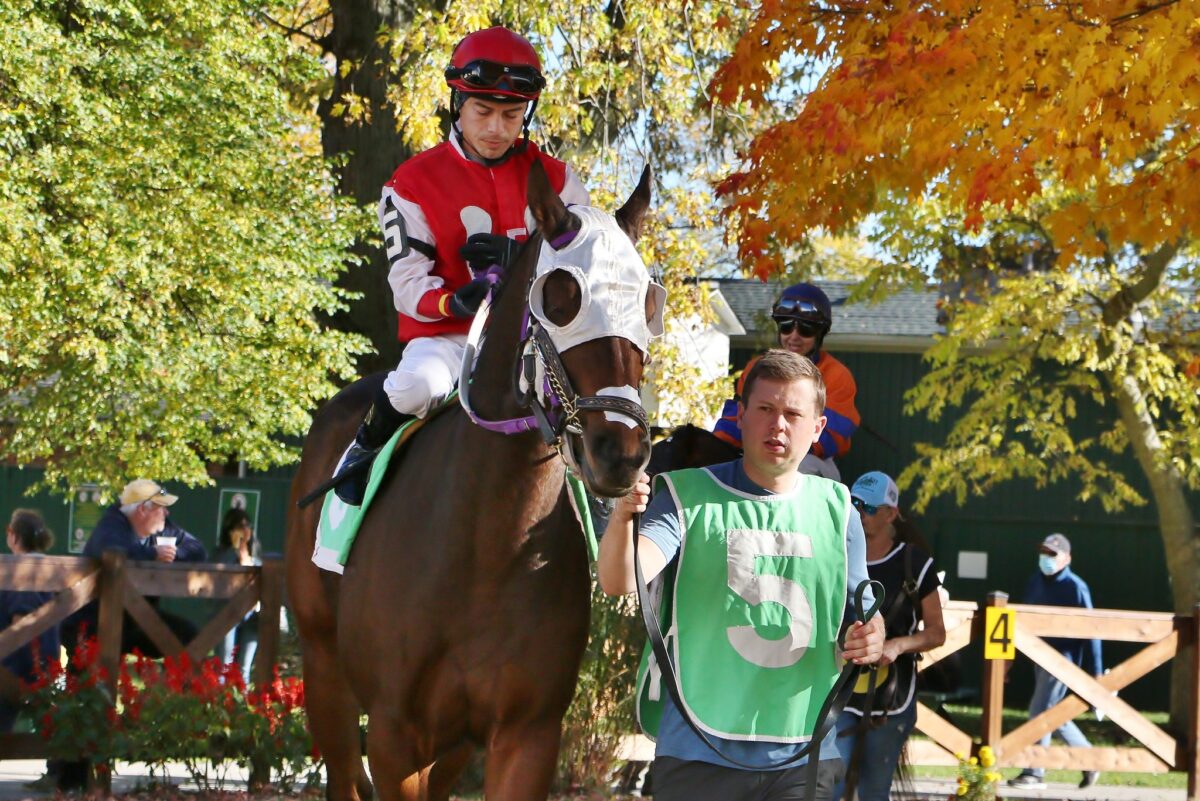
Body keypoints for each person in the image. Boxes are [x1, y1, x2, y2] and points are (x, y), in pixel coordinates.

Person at [599, 349, 884, 801]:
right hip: (698, 748)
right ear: (741, 416)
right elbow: (620, 580)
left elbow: (864, 612)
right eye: (766, 410)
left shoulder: (840, 510)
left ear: (817, 428)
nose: (779, 425)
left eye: (793, 413)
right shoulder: (684, 495)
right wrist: (622, 518)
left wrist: (872, 636)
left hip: (804, 749)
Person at [331, 25, 590, 505]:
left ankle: (607, 515)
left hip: (537, 341)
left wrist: (521, 263)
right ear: (458, 105)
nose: (496, 128)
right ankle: (362, 449)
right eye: (483, 111)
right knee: (414, 387)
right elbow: (407, 285)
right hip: (449, 339)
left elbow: (584, 266)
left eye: (511, 115)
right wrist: (456, 299)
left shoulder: (557, 178)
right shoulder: (411, 182)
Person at [831, 471, 945, 801]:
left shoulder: (914, 561)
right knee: (827, 787)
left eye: (866, 507)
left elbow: (936, 633)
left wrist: (896, 645)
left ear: (890, 514)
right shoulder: (836, 553)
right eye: (852, 504)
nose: (857, 513)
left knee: (874, 791)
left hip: (890, 701)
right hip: (837, 692)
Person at [713, 282, 860, 480]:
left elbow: (829, 440)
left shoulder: (838, 376)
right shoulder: (755, 368)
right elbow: (734, 422)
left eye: (805, 330)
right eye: (786, 327)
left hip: (808, 460)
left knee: (793, 470)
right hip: (756, 453)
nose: (794, 336)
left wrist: (769, 455)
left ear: (820, 334)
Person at [66, 479, 208, 658]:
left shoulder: (162, 527)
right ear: (142, 510)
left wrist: (172, 554)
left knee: (188, 636)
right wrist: (153, 554)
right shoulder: (112, 523)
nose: (166, 512)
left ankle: (168, 685)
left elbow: (198, 550)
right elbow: (113, 552)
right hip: (94, 620)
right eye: (161, 507)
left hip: (139, 620)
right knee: (89, 676)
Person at [1008, 533, 1103, 790]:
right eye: (1044, 552)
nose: (1046, 558)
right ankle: (1091, 760)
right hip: (1038, 658)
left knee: (1038, 712)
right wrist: (1008, 660)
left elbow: (1092, 629)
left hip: (1063, 662)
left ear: (1067, 558)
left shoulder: (1076, 586)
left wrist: (1096, 674)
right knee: (1055, 715)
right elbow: (1021, 622)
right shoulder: (1034, 582)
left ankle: (1034, 771)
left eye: (1053, 554)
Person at [0, 510, 60, 732]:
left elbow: (20, 627)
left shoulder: (22, 571)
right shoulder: (50, 569)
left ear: (12, 535)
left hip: (19, 668)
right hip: (45, 664)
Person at [213, 508, 260, 683]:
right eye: (238, 527)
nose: (243, 530)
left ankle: (241, 706)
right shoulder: (221, 553)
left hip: (251, 615)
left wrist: (244, 550)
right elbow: (220, 570)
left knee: (244, 668)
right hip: (227, 613)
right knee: (224, 665)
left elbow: (255, 572)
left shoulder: (255, 552)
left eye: (246, 526)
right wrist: (236, 548)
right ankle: (217, 704)